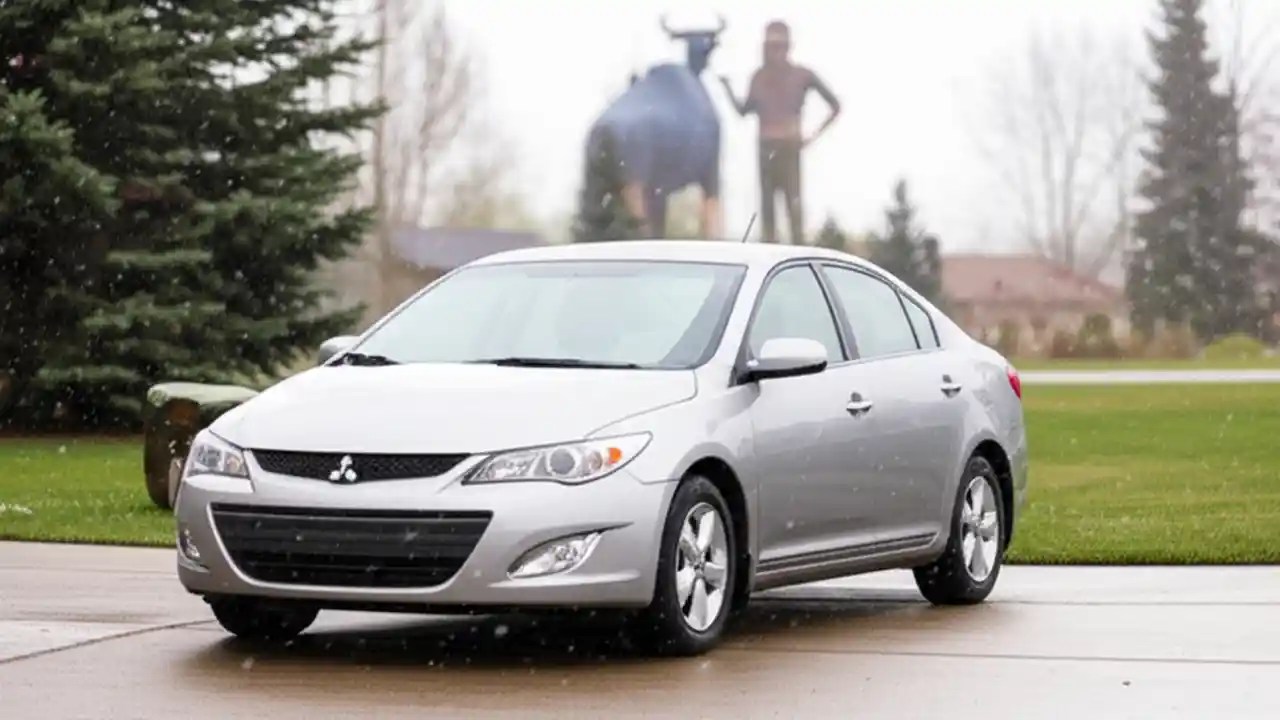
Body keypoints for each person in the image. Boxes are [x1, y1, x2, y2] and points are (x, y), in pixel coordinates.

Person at [720, 20, 841, 244]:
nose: (773, 51)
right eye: (770, 46)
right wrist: (726, 87)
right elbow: (743, 110)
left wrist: (812, 137)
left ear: (787, 46)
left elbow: (835, 105)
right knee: (768, 212)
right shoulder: (759, 77)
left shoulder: (802, 76)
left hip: (789, 146)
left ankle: (797, 257)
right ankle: (770, 258)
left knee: (793, 209)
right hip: (765, 147)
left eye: (778, 45)